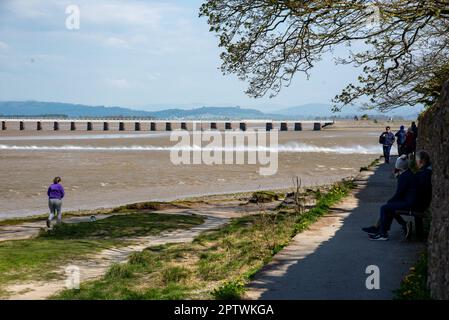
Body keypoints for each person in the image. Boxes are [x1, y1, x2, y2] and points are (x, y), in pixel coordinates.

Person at [362, 155, 414, 240]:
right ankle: (381, 229)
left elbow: (399, 193)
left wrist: (390, 201)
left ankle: (382, 233)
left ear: (398, 167)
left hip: (410, 203)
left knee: (385, 208)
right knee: (389, 207)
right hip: (411, 201)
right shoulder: (408, 173)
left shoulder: (404, 177)